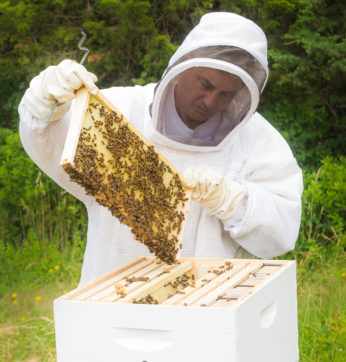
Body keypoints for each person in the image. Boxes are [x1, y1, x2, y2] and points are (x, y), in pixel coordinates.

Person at [18, 12, 303, 286]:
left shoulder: (257, 140)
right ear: (186, 62)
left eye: (226, 94)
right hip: (110, 299)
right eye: (205, 84)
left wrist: (232, 201)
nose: (210, 100)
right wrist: (46, 107)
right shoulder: (119, 111)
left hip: (208, 307)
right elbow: (49, 143)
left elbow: (281, 232)